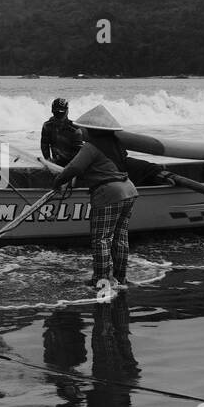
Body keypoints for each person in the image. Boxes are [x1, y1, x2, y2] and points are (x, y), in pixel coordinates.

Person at [50, 105, 139, 295]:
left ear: (92, 130)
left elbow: (74, 168)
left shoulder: (91, 147)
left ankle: (101, 282)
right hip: (129, 191)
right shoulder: (117, 145)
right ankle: (120, 278)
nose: (81, 132)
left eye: (84, 129)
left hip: (109, 194)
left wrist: (58, 181)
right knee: (120, 238)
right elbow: (104, 167)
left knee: (101, 240)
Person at [40, 97, 83, 165]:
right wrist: (48, 159)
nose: (59, 116)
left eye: (61, 113)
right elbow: (44, 144)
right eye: (56, 113)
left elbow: (78, 152)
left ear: (67, 112)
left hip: (72, 164)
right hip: (55, 163)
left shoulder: (75, 129)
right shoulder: (47, 126)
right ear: (52, 111)